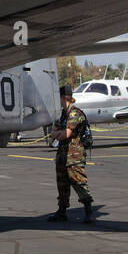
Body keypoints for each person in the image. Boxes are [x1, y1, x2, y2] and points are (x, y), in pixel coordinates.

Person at [48, 84, 94, 223]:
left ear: (63, 97)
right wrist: (57, 133)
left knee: (79, 182)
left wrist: (57, 133)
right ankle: (61, 211)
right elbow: (54, 132)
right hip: (63, 155)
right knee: (62, 184)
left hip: (74, 156)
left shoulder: (75, 114)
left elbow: (65, 134)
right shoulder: (62, 114)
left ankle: (88, 210)